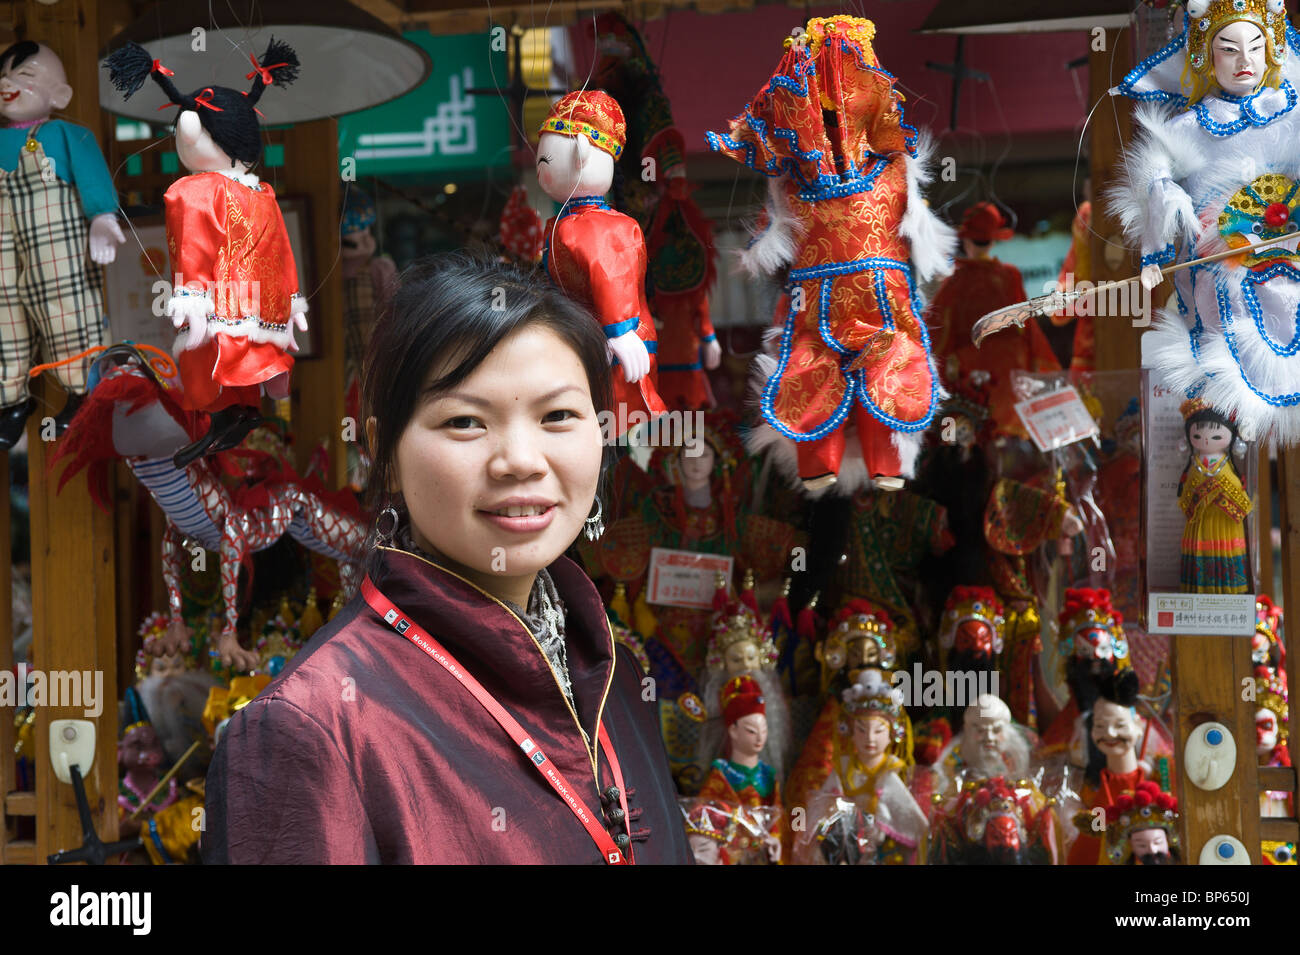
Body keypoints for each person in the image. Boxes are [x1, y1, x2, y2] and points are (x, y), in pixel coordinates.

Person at [202, 253, 690, 863]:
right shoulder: (312, 726)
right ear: (384, 451)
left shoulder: (614, 670)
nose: (520, 459)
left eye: (557, 416)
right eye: (465, 421)